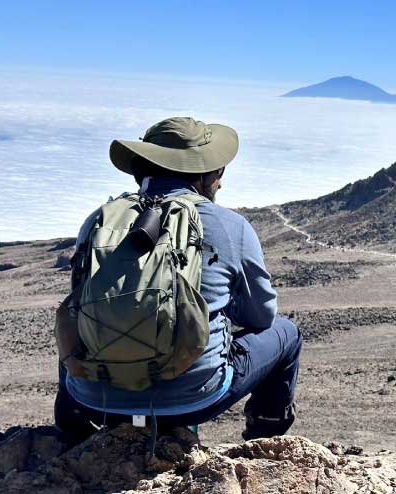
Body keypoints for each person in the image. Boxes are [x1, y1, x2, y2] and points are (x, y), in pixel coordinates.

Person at [54, 117, 302, 443]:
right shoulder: (229, 226)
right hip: (193, 400)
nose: (220, 183)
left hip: (94, 400)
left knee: (81, 320)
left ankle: (73, 431)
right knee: (287, 333)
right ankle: (264, 442)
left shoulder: (98, 221)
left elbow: (79, 308)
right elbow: (261, 317)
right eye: (217, 171)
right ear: (201, 175)